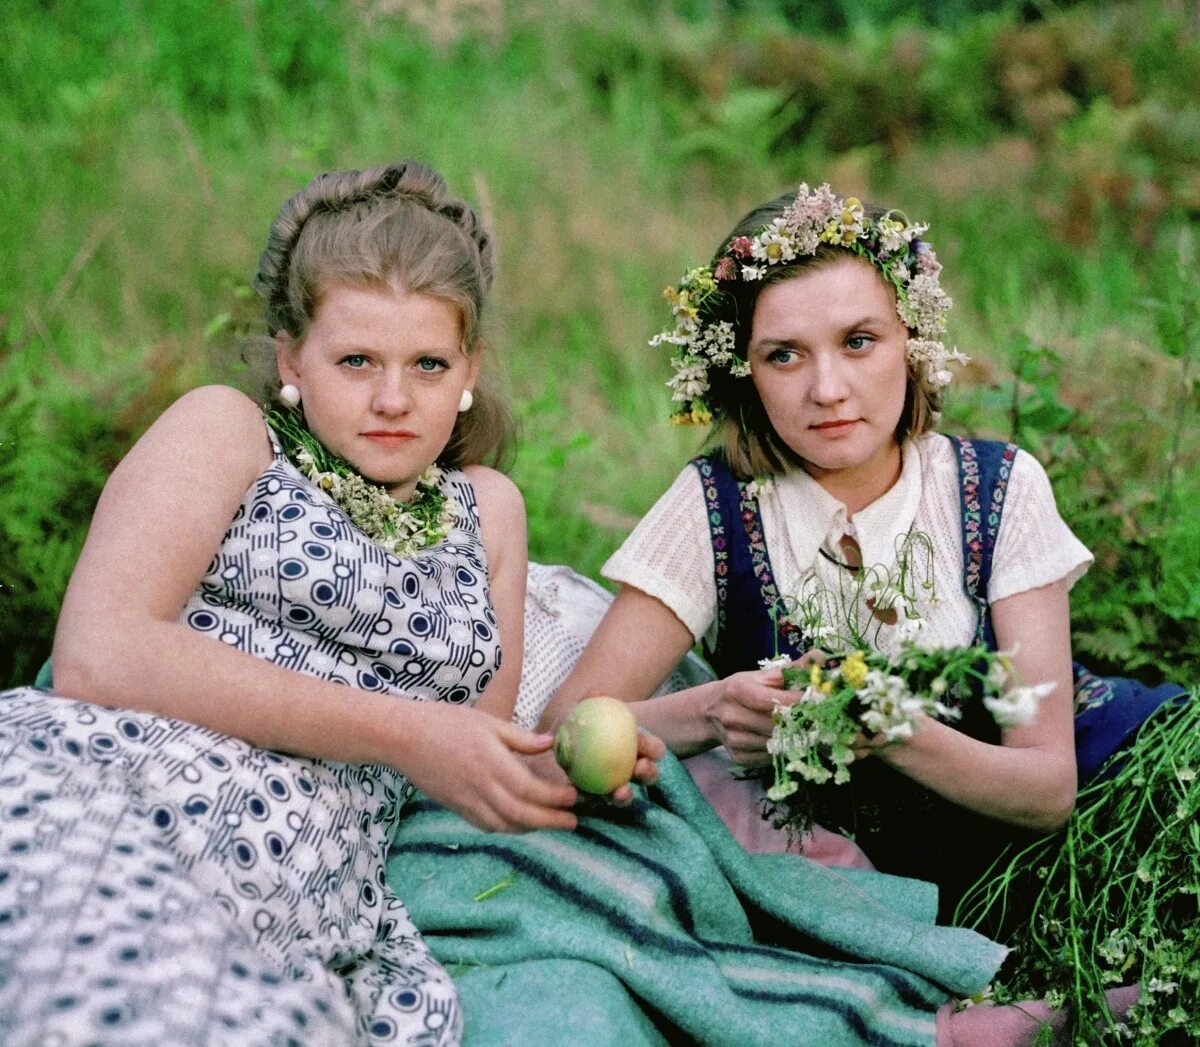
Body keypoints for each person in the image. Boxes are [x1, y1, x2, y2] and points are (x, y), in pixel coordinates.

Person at [0, 159, 587, 1046]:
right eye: (355, 360)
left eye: (428, 363)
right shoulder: (227, 432)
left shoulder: (489, 511)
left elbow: (479, 753)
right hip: (117, 783)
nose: (394, 399)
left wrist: (664, 726)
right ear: (291, 359)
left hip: (299, 882)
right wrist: (406, 732)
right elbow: (98, 652)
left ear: (469, 367)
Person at [537, 184, 1188, 944]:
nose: (828, 389)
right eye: (784, 355)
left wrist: (884, 728)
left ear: (910, 343)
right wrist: (711, 711)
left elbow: (1047, 787)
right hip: (864, 883)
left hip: (1082, 823)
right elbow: (567, 729)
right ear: (743, 371)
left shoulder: (997, 486)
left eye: (858, 341)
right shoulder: (716, 505)